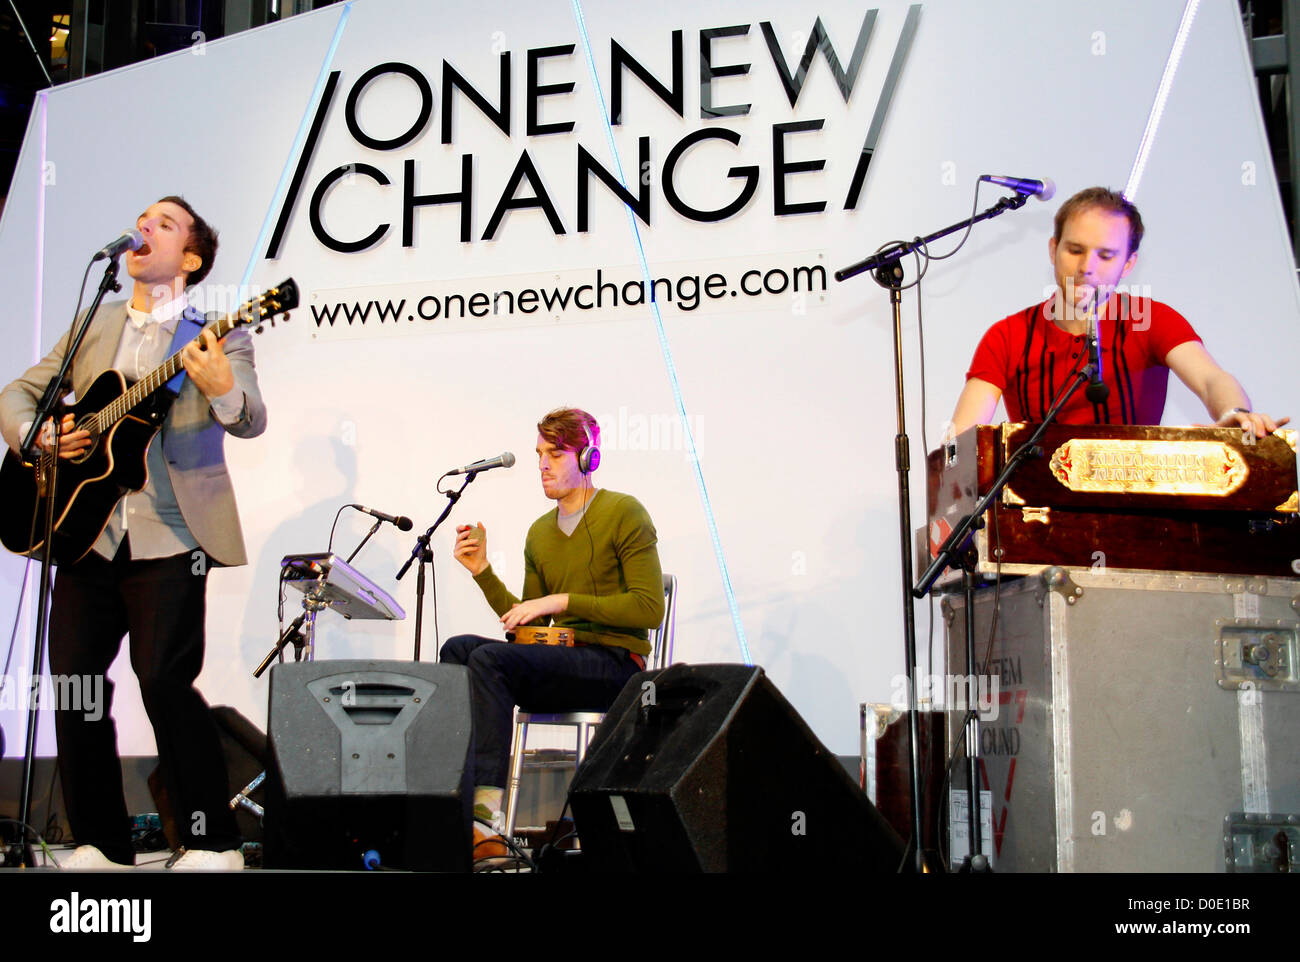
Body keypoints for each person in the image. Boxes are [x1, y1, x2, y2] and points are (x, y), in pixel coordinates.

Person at [0, 196, 266, 870]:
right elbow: (17, 396)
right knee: (77, 684)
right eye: (142, 219)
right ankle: (101, 843)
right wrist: (43, 437)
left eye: (165, 223)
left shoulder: (216, 332)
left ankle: (212, 841)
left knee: (163, 681)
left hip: (170, 536)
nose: (145, 227)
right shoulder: (98, 324)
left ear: (193, 257)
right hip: (86, 533)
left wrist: (223, 388)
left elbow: (249, 417)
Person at [442, 407, 665, 829]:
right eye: (540, 454)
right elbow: (527, 631)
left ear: (587, 459)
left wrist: (562, 601)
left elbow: (649, 608)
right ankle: (452, 800)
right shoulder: (539, 532)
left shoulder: (624, 512)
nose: (543, 465)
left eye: (556, 454)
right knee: (459, 650)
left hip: (615, 667)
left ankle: (484, 818)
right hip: (561, 663)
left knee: (488, 662)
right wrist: (483, 572)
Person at [949, 186, 1288, 437]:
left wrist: (1236, 412)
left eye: (1106, 256)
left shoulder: (1151, 319)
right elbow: (963, 438)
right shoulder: (1007, 336)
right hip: (1032, 516)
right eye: (1075, 250)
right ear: (1053, 250)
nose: (1086, 267)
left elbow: (1211, 378)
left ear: (1129, 264)